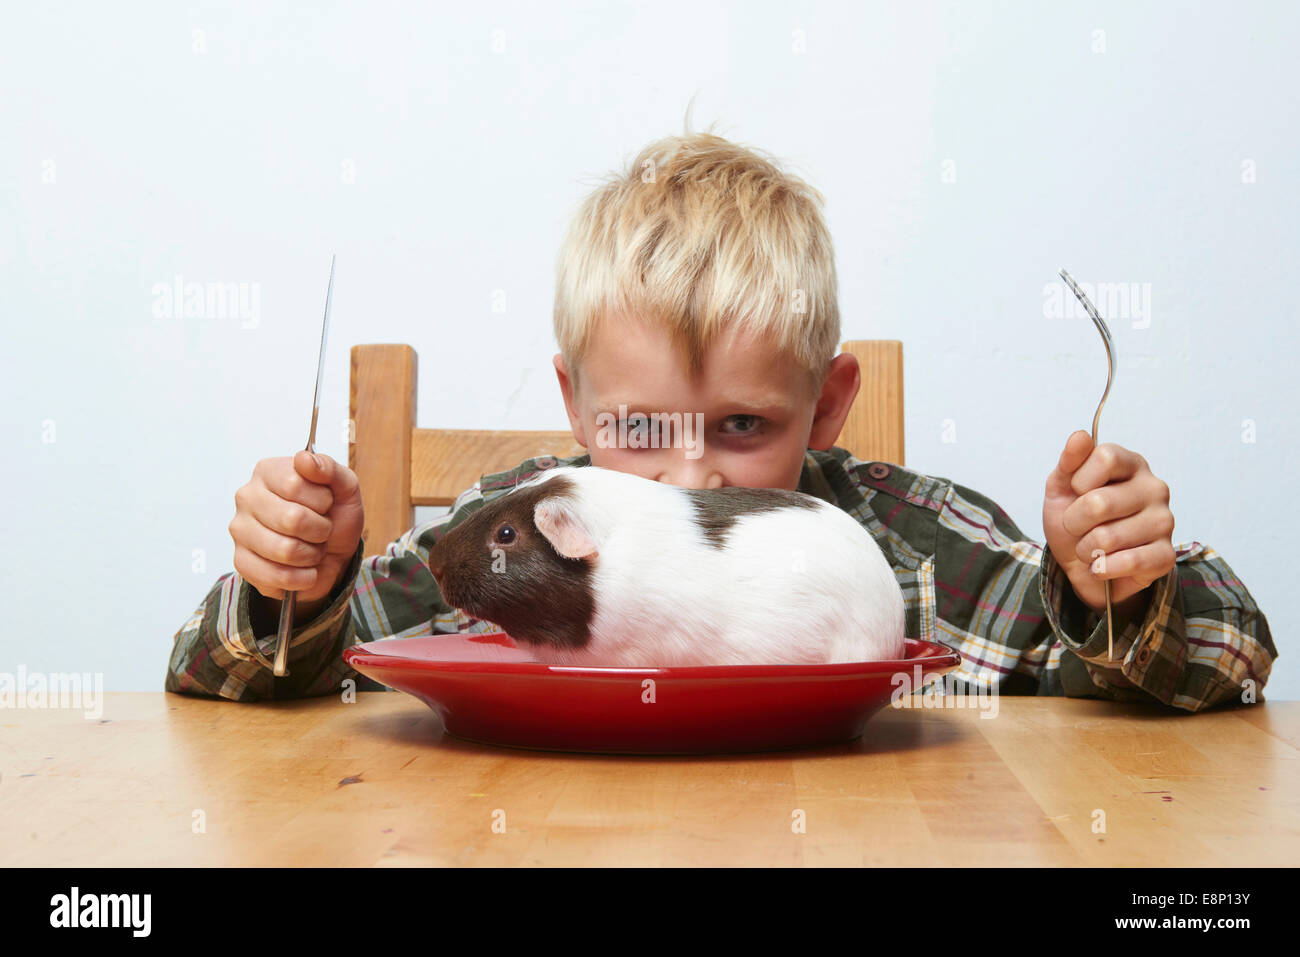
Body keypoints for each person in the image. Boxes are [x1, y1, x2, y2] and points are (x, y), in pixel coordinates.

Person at [165, 127, 1276, 710]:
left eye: (743, 426)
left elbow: (1230, 652)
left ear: (826, 406)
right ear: (575, 407)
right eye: (641, 429)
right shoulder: (516, 532)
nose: (691, 476)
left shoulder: (910, 546)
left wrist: (1113, 586)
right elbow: (236, 674)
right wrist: (292, 590)